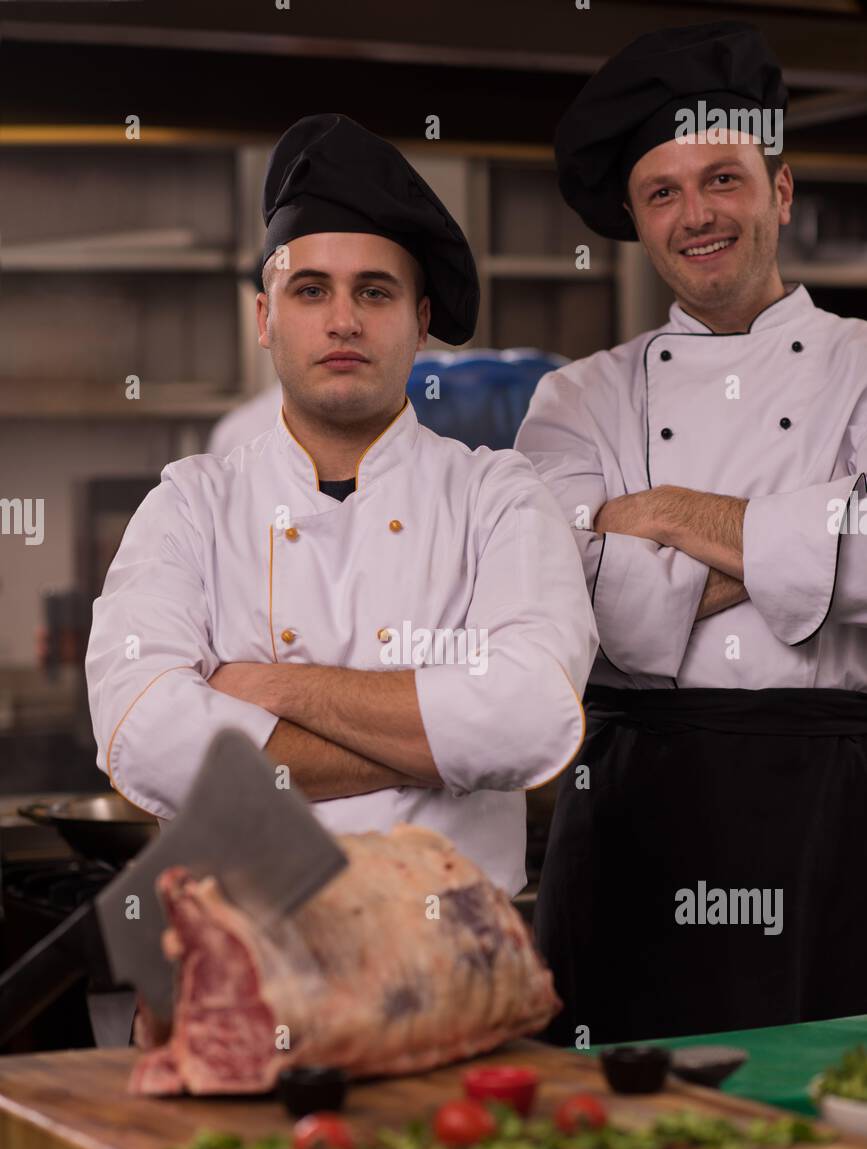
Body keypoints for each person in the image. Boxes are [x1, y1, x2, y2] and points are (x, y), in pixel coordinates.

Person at [86, 113, 598, 895]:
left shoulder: (498, 497)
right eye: (310, 289)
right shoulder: (189, 504)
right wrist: (440, 751)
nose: (342, 320)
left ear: (419, 322)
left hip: (445, 964)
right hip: (250, 957)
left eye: (375, 291)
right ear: (265, 317)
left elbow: (530, 716)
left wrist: (278, 688)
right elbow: (144, 738)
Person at [515, 23, 867, 1042]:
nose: (697, 214)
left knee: (827, 1122)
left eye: (724, 179)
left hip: (833, 812)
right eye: (663, 191)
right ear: (634, 217)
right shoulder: (574, 399)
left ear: (782, 191)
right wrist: (812, 536)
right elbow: (576, 605)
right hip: (635, 808)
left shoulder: (858, 361)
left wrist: (662, 517)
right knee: (618, 1126)